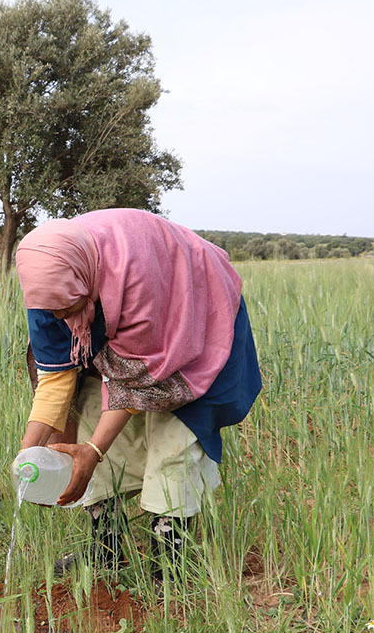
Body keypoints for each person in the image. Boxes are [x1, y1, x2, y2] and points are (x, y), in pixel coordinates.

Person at [16, 208, 261, 576]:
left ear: (84, 283)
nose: (64, 321)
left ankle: (169, 562)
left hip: (188, 325)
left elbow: (139, 382)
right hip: (118, 337)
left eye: (70, 310)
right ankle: (105, 548)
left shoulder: (135, 277)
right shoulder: (48, 290)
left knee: (172, 436)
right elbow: (55, 378)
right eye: (56, 314)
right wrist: (29, 455)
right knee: (87, 414)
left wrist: (94, 451)